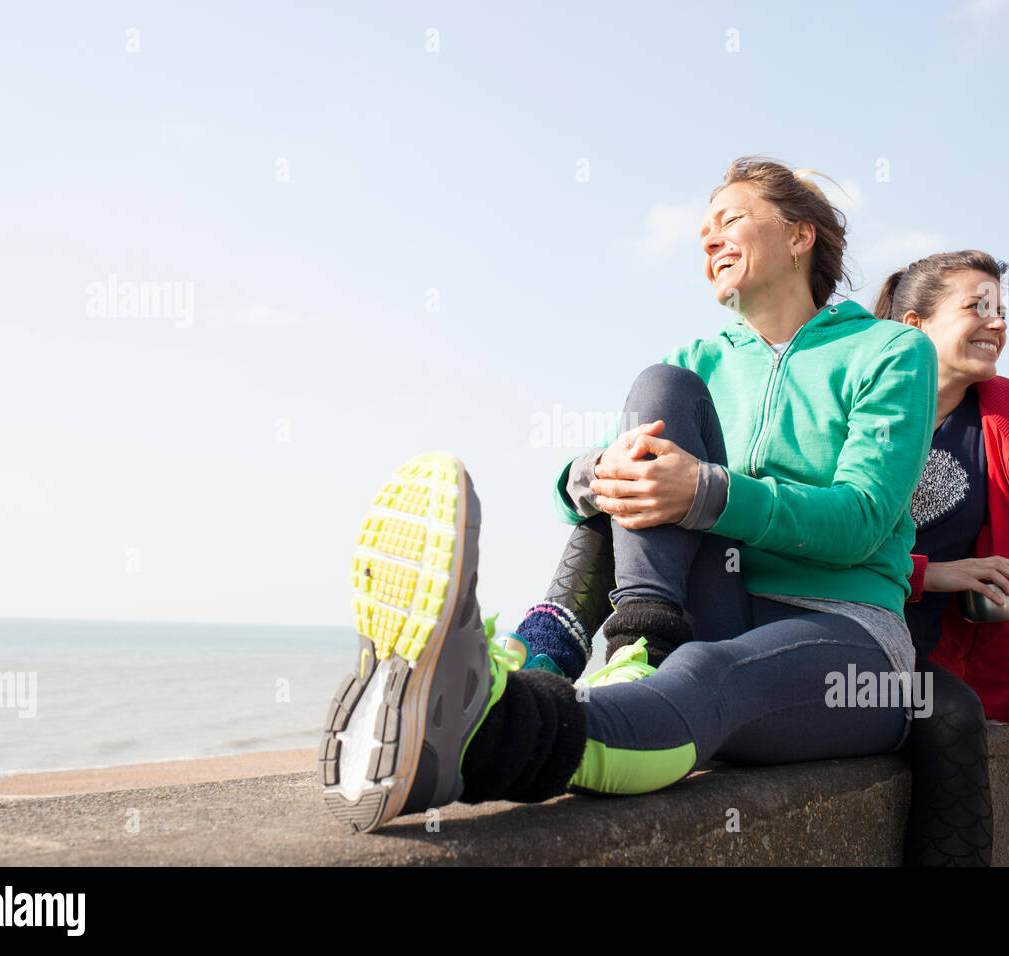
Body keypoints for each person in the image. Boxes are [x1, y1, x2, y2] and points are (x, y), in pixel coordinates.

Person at [320, 156, 939, 834]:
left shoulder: (890, 351)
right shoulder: (699, 361)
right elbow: (574, 500)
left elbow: (861, 520)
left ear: (800, 236)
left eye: (730, 220)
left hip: (846, 639)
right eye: (703, 232)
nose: (709, 240)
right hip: (714, 603)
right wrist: (595, 473)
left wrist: (706, 491)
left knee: (709, 670)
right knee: (658, 394)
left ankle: (489, 725)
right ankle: (616, 650)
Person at [875, 250, 1009, 865]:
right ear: (914, 327)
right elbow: (814, 542)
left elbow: (1006, 555)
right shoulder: (856, 414)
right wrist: (932, 574)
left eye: (1003, 311)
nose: (999, 323)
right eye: (977, 307)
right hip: (842, 634)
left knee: (951, 713)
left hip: (932, 658)